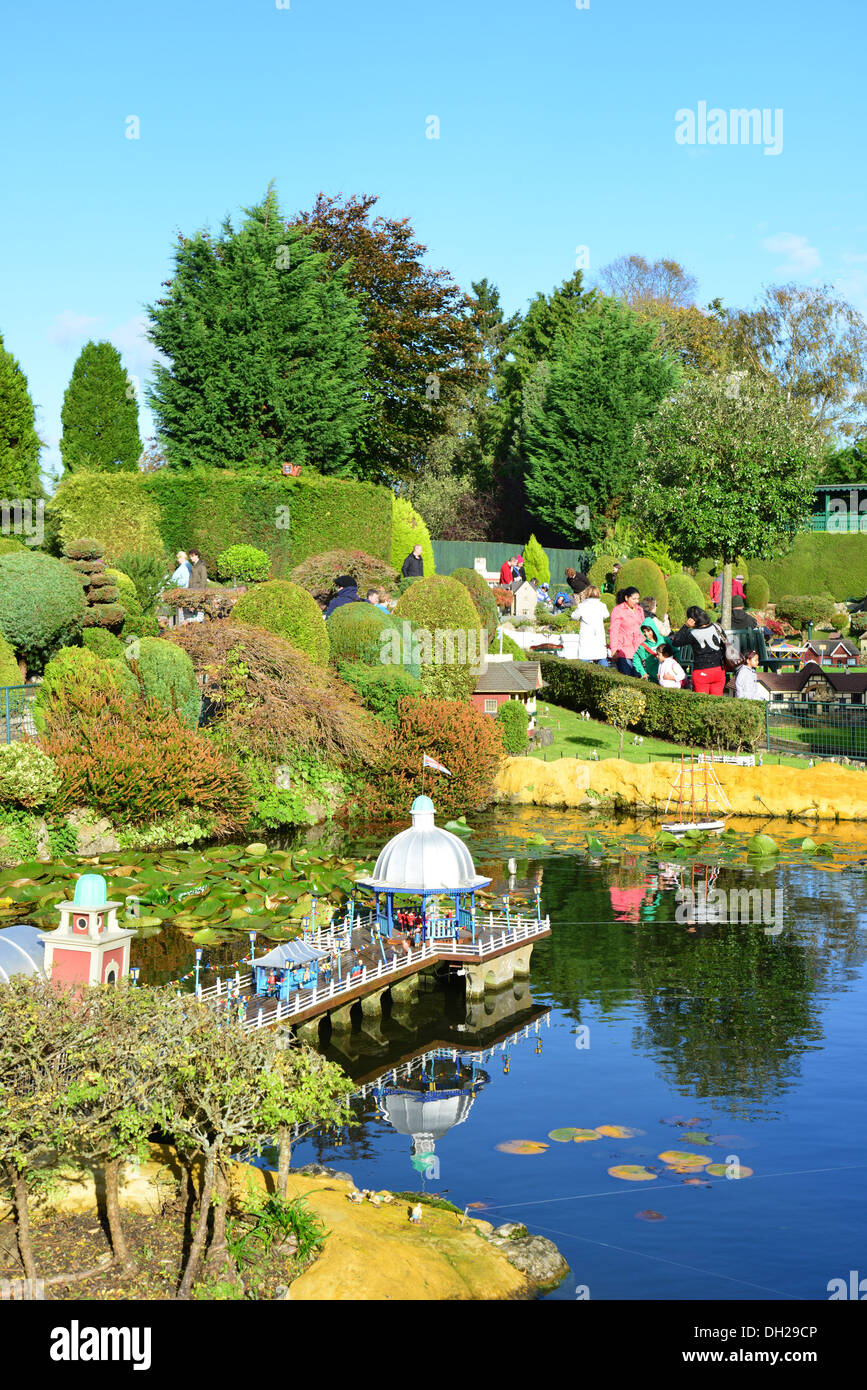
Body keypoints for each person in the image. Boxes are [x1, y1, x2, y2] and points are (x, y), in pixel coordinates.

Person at [671, 606, 727, 696]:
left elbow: (676, 642)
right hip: (719, 670)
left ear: (692, 620)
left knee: (702, 703)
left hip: (702, 672)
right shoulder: (717, 627)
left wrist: (686, 626)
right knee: (717, 702)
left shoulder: (693, 633)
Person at [608, 587, 655, 676]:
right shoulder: (618, 610)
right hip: (623, 650)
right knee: (627, 677)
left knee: (638, 677)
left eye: (638, 599)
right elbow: (613, 631)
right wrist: (614, 650)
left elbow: (643, 628)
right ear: (626, 598)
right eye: (634, 599)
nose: (636, 601)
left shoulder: (639, 610)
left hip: (638, 650)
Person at [571, 585, 609, 664]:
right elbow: (606, 615)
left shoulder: (582, 606)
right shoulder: (602, 605)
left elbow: (574, 616)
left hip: (586, 636)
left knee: (585, 661)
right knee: (601, 658)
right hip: (598, 635)